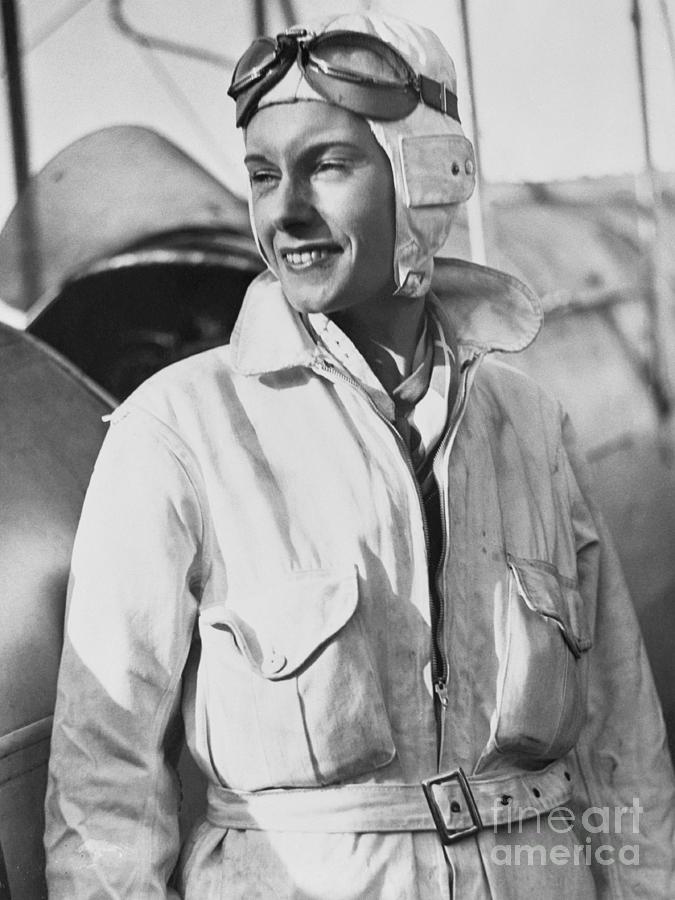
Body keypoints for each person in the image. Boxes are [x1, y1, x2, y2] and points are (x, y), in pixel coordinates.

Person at [44, 12, 675, 899]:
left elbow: (623, 744)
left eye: (327, 166)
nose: (286, 211)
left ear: (424, 184)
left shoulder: (528, 424)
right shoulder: (176, 429)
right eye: (263, 176)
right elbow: (100, 785)